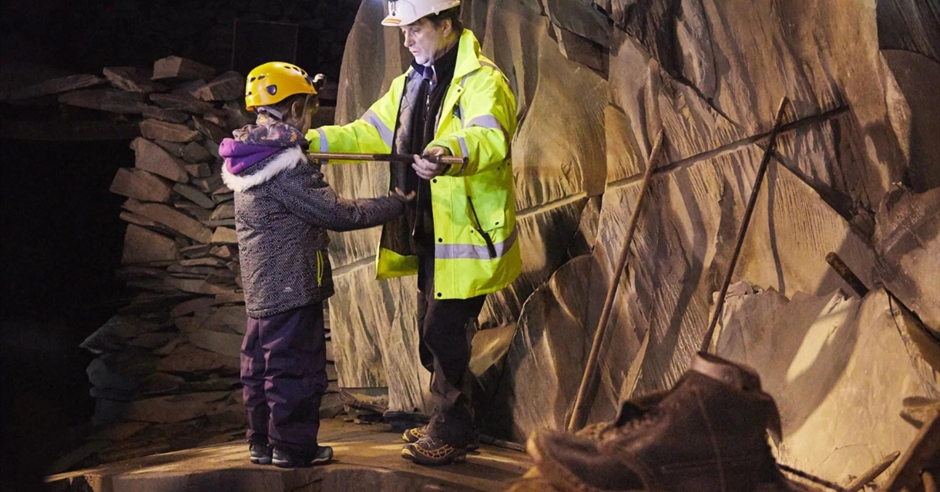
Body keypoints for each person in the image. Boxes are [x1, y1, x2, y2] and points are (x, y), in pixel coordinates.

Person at [306, 0, 520, 466]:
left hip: (466, 235)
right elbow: (365, 133)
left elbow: (488, 138)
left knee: (443, 331)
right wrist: (310, 141)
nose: (405, 40)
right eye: (402, 30)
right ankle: (455, 422)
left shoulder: (484, 81)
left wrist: (446, 150)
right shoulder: (409, 84)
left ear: (445, 25)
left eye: (414, 28)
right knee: (432, 334)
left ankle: (449, 430)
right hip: (427, 230)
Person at [220, 62, 414, 468]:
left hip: (262, 285)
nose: (310, 119)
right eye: (310, 109)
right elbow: (340, 213)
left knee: (260, 366)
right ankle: (293, 448)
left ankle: (262, 442)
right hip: (292, 284)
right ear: (295, 110)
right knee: (296, 369)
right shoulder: (285, 166)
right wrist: (396, 203)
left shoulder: (250, 154)